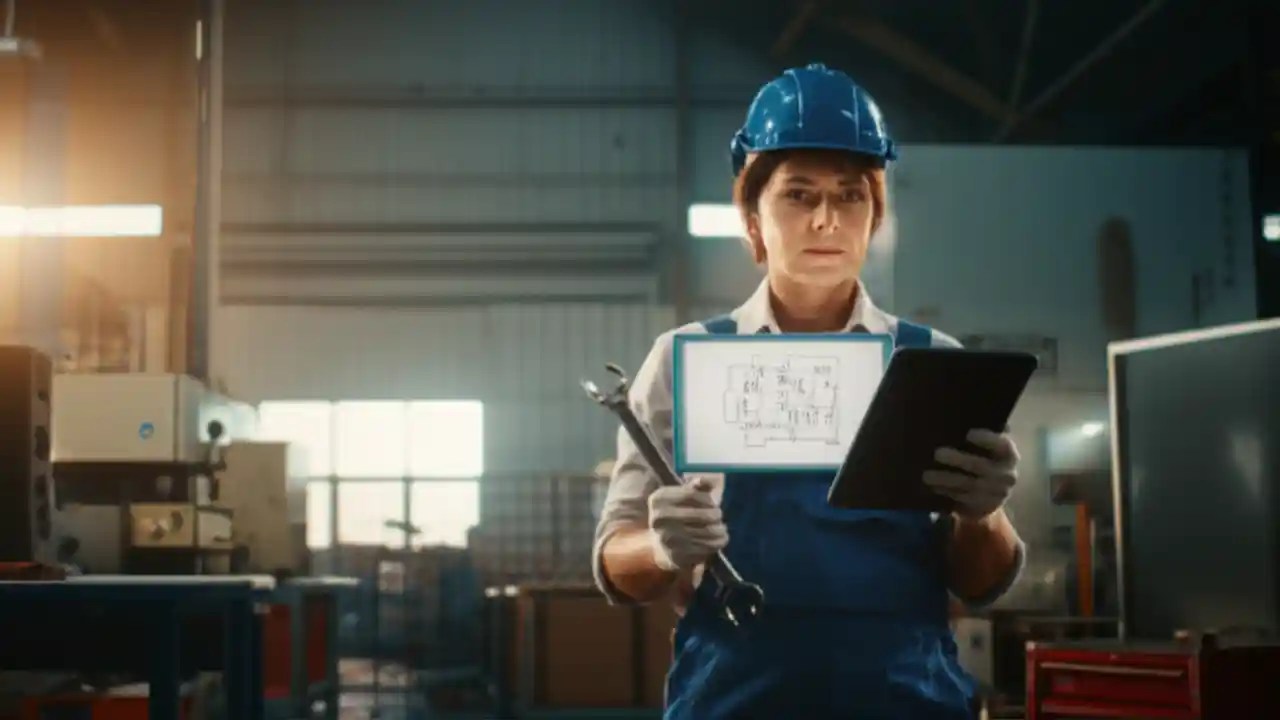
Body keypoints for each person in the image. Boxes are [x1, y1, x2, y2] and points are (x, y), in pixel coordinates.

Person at [591, 63, 1026, 719]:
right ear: (754, 218)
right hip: (732, 702)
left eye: (850, 196)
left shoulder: (934, 364)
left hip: (907, 702)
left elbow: (980, 582)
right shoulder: (684, 360)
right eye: (798, 195)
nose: (826, 219)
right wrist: (657, 548)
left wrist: (983, 513)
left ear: (874, 217)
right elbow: (615, 561)